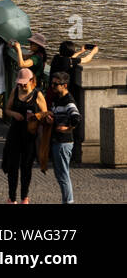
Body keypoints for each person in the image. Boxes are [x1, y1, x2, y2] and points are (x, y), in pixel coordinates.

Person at [1, 68, 47, 204]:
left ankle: (24, 197)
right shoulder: (15, 91)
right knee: (12, 166)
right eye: (20, 83)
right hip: (15, 133)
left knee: (26, 166)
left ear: (32, 81)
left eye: (24, 84)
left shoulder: (37, 95)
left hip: (29, 134)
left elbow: (45, 114)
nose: (22, 86)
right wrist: (14, 114)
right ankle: (12, 197)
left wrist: (36, 117)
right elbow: (7, 109)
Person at [46, 71, 81, 203]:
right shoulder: (57, 98)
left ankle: (68, 201)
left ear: (64, 85)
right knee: (61, 174)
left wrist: (67, 128)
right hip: (58, 141)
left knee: (63, 175)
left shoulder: (68, 101)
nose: (52, 86)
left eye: (56, 84)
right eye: (52, 84)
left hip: (63, 142)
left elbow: (76, 118)